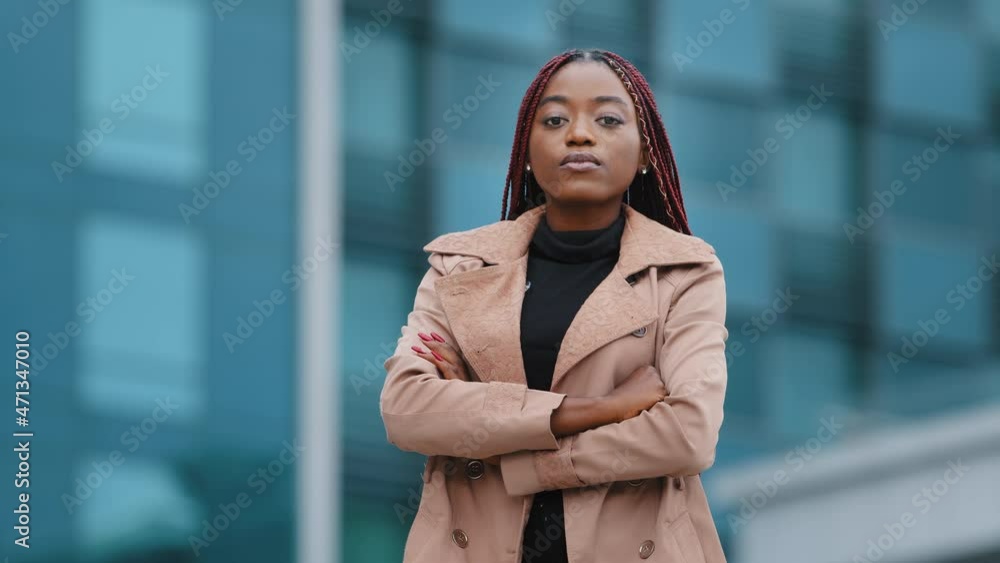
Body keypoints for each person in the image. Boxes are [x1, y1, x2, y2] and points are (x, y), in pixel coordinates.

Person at [381, 48, 729, 563]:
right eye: (555, 119)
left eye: (608, 119)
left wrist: (527, 461)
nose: (580, 134)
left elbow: (688, 434)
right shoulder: (460, 266)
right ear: (526, 148)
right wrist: (600, 410)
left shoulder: (682, 272)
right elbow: (407, 409)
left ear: (645, 155)